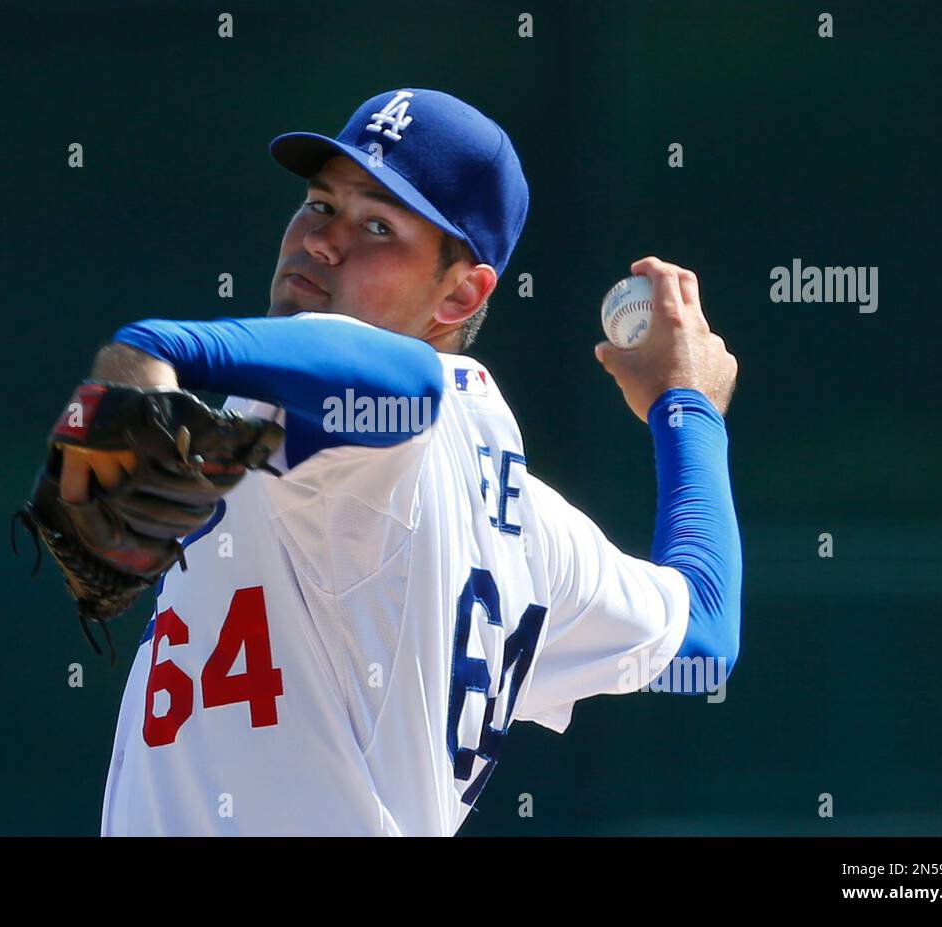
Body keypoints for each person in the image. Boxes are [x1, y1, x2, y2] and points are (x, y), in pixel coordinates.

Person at [62, 88, 741, 836]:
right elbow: (705, 630)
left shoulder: (378, 433)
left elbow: (406, 381)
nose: (323, 240)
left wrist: (157, 345)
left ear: (460, 293)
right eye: (321, 203)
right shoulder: (528, 524)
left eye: (378, 224)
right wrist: (687, 410)